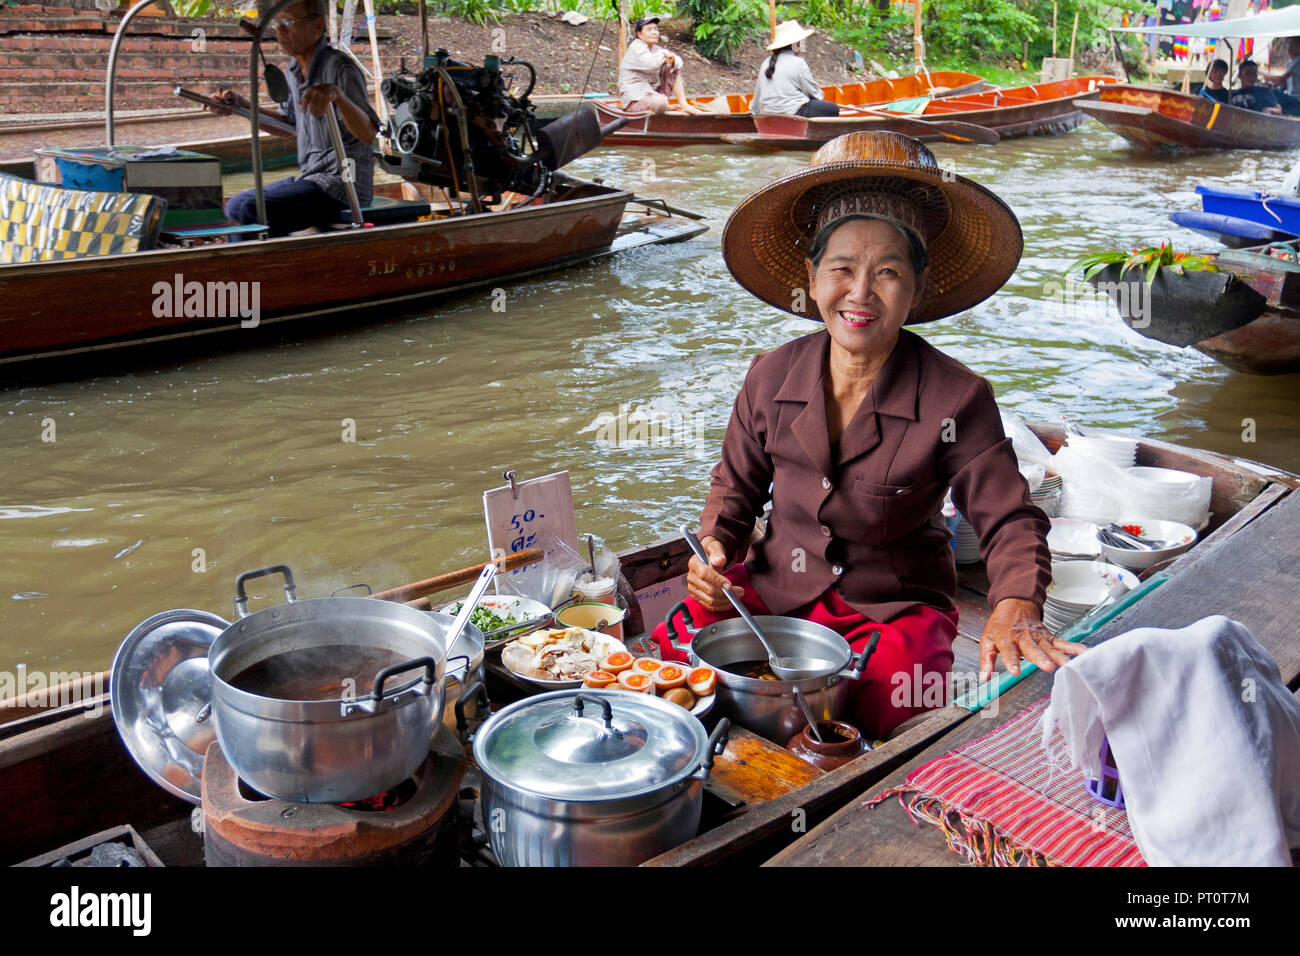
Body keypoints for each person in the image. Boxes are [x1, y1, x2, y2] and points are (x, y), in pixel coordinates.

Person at [651, 131, 1082, 739]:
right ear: (812, 275)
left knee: (901, 700)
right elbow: (734, 490)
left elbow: (1010, 518)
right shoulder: (770, 374)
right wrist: (714, 552)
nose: (860, 293)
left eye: (887, 272)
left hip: (890, 606)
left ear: (919, 286)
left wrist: (1015, 602)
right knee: (677, 658)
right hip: (776, 589)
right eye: (842, 269)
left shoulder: (956, 396)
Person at [214, 0, 380, 237]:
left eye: (289, 21)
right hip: (312, 177)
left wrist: (338, 96)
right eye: (278, 22)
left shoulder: (340, 68)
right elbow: (288, 124)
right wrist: (241, 106)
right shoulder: (293, 69)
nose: (281, 30)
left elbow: (368, 133)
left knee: (250, 210)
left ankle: (267, 267)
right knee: (234, 205)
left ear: (317, 25)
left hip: (342, 186)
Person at [618, 17, 705, 115]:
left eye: (655, 29)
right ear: (639, 34)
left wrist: (672, 60)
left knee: (671, 67)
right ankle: (664, 106)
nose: (654, 32)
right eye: (649, 30)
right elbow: (651, 64)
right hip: (635, 99)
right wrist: (665, 58)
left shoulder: (656, 50)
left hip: (652, 93)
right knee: (660, 102)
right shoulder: (636, 47)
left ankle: (683, 104)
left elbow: (679, 63)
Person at [752, 19, 839, 118]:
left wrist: (755, 112)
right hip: (794, 110)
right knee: (833, 108)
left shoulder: (766, 62)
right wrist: (819, 99)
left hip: (770, 111)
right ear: (796, 44)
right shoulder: (798, 63)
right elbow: (814, 93)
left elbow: (757, 96)